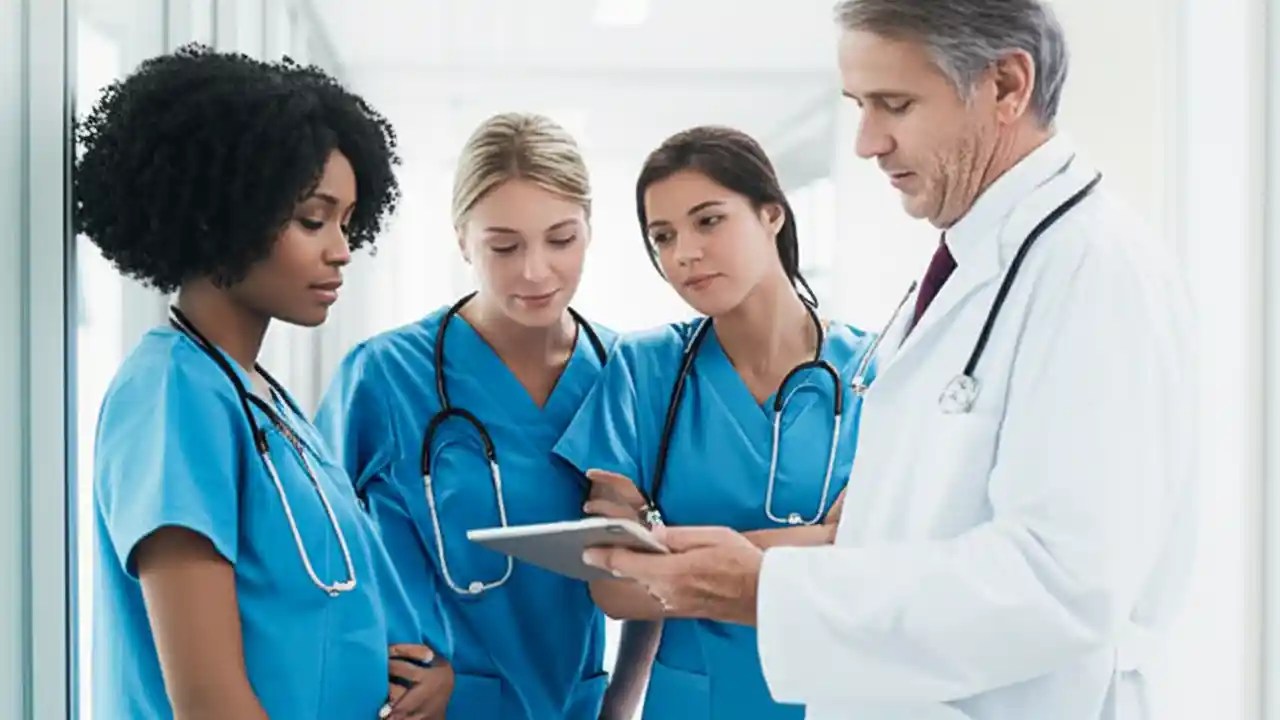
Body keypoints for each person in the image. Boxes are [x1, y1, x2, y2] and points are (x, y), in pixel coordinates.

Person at [582, 2, 1196, 719]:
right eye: (858, 106)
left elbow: (1063, 582)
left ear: (1005, 86)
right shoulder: (969, 273)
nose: (868, 142)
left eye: (894, 104)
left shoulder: (1094, 270)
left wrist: (765, 587)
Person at [80, 45, 452, 720]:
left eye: (347, 222)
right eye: (313, 219)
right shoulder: (172, 392)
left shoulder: (265, 400)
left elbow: (326, 608)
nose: (341, 249)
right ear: (218, 212)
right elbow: (211, 702)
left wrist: (422, 675)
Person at [314, 112, 656, 720]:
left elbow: (654, 579)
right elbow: (324, 562)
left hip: (574, 703)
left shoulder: (627, 375)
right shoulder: (387, 375)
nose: (535, 271)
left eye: (561, 239)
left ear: (590, 231)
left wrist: (618, 707)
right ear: (461, 237)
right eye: (504, 245)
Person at [553, 125, 875, 719]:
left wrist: (669, 561)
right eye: (663, 236)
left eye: (708, 221)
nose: (684, 254)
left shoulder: (878, 373)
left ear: (772, 213)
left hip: (838, 696)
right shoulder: (646, 370)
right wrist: (819, 545)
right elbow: (613, 585)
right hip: (692, 702)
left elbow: (888, 565)